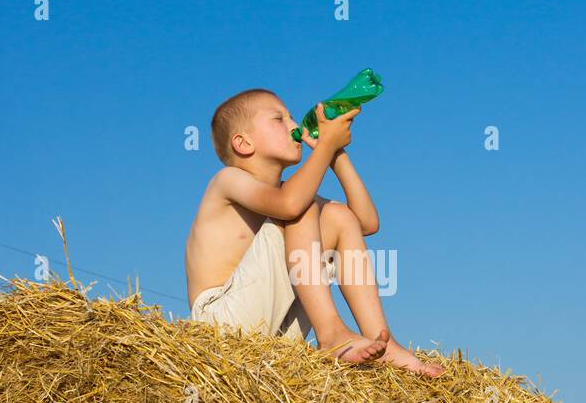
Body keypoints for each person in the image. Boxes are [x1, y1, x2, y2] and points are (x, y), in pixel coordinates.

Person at [184, 89, 444, 374]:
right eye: (279, 119)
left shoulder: (288, 195)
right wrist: (323, 148)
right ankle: (331, 332)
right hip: (220, 326)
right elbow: (291, 205)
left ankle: (385, 342)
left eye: (292, 117)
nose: (295, 126)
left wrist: (335, 155)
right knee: (305, 207)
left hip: (271, 338)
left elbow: (365, 222)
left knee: (336, 215)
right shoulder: (229, 180)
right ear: (243, 143)